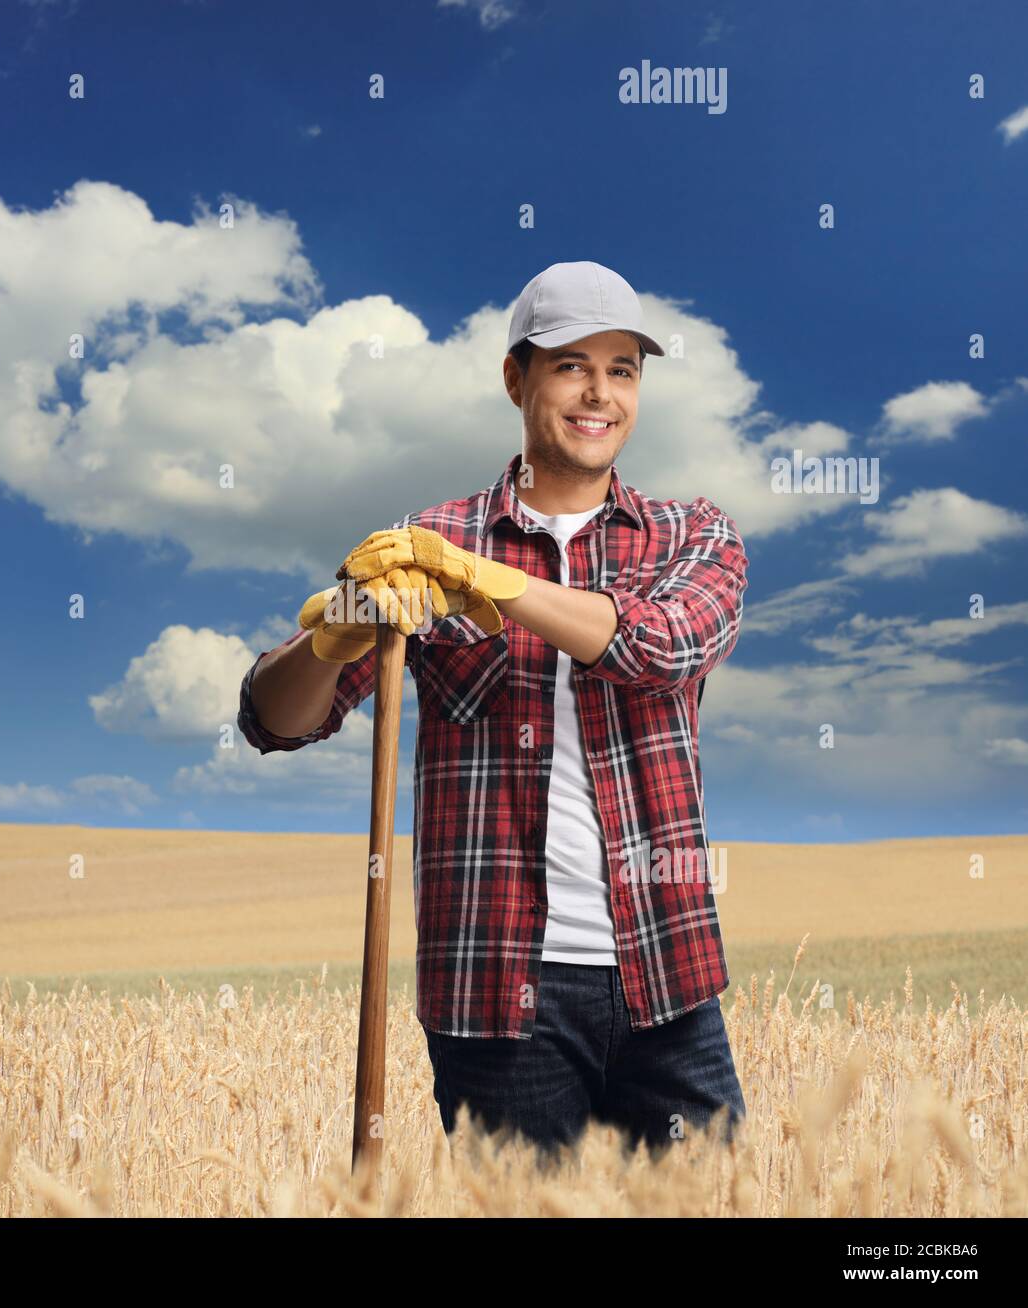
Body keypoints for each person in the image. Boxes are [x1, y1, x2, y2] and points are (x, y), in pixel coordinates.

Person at [237, 261, 749, 1166]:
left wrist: (492, 580)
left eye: (622, 369)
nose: (599, 393)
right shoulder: (428, 540)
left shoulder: (692, 534)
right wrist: (335, 636)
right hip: (492, 990)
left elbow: (659, 649)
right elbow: (276, 723)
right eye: (570, 366)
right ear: (517, 379)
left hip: (666, 980)